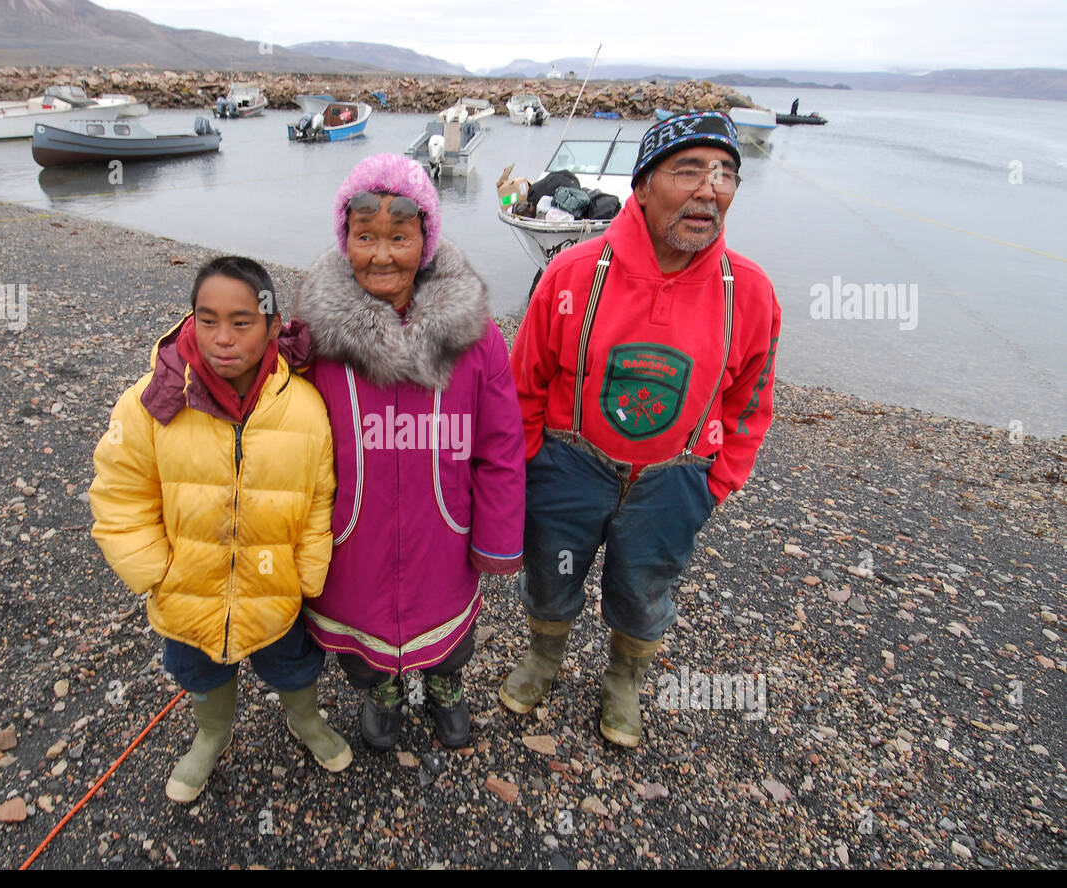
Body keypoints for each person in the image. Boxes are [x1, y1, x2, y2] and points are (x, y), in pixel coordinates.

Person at [503, 111, 782, 747]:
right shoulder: (572, 274)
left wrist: (716, 483)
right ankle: (544, 658)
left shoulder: (752, 292)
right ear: (644, 185)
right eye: (688, 170)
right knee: (551, 571)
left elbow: (751, 401)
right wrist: (525, 466)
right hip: (569, 467)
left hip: (675, 480)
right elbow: (524, 381)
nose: (709, 190)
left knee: (645, 588)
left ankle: (623, 681)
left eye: (725, 175)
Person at [89, 256, 351, 803]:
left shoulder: (303, 408)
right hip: (188, 590)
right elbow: (120, 493)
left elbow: (319, 498)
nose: (222, 338)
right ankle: (212, 733)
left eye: (242, 321)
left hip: (274, 587)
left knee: (294, 664)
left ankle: (306, 721)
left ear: (274, 327)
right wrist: (155, 570)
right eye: (207, 320)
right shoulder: (152, 402)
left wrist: (307, 574)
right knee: (197, 668)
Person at [293, 154, 525, 750]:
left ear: (426, 240)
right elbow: (268, 417)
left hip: (444, 528)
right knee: (361, 636)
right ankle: (381, 691)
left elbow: (500, 446)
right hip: (352, 531)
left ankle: (444, 687)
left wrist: (495, 538)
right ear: (345, 238)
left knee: (449, 633)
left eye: (400, 235)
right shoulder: (312, 338)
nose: (382, 254)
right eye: (364, 235)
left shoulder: (475, 337)